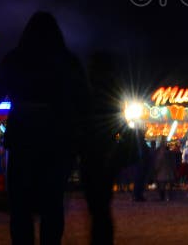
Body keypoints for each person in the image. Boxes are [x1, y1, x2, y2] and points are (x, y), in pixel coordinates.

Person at [0, 11, 91, 245]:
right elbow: (85, 104)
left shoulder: (16, 59)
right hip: (58, 143)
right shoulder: (68, 61)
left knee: (20, 210)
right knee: (53, 207)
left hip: (22, 142)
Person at [79, 50, 127, 245]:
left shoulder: (88, 92)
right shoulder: (113, 92)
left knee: (96, 205)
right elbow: (118, 124)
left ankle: (98, 239)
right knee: (103, 205)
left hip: (92, 152)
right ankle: (103, 238)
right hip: (107, 152)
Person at [152, 136, 176, 201]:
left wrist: (156, 168)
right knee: (167, 184)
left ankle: (162, 197)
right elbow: (173, 161)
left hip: (162, 170)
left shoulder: (159, 151)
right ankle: (169, 196)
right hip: (168, 170)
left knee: (162, 184)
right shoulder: (168, 151)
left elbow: (159, 160)